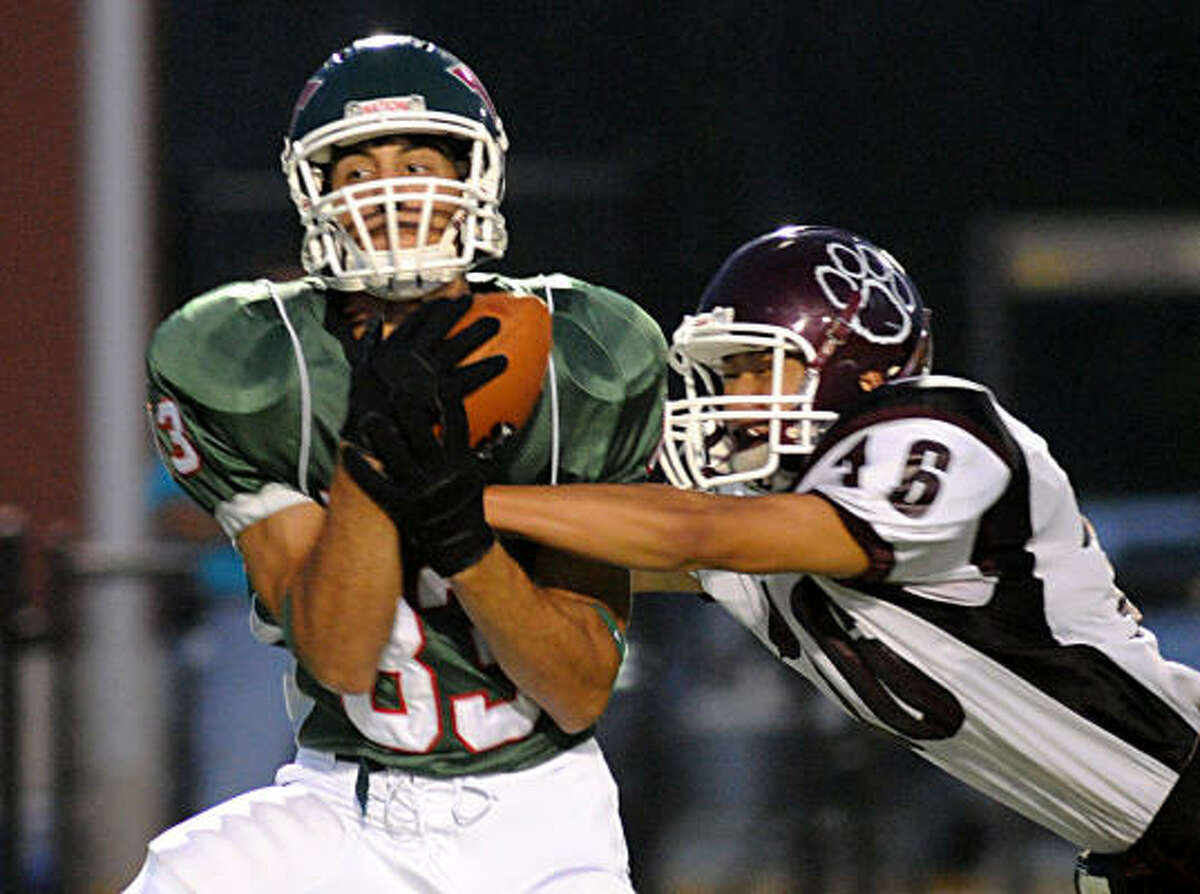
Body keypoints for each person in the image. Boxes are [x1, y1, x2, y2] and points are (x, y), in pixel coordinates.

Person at [474, 225, 1200, 892]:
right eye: (726, 376)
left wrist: (465, 503)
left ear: (854, 359)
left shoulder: (945, 427)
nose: (734, 399)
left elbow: (696, 534)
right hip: (1135, 849)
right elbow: (612, 547)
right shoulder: (776, 510)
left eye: (757, 368)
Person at [130, 33, 666, 893]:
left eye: (419, 161)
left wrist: (462, 535)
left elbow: (576, 690)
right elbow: (340, 656)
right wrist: (372, 450)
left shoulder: (585, 358)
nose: (391, 192)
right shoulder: (257, 365)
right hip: (347, 805)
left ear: (473, 180)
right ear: (316, 194)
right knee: (182, 879)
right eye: (358, 170)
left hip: (543, 817)